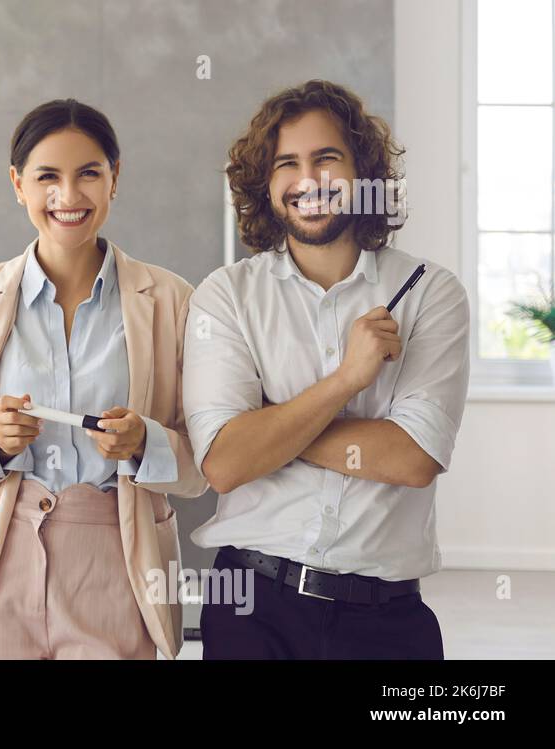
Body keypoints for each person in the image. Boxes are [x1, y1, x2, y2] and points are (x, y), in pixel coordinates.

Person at [184, 80, 470, 659]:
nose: (308, 180)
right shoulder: (227, 296)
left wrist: (269, 427)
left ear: (364, 173)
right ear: (266, 186)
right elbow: (224, 464)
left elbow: (413, 459)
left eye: (326, 159)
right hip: (250, 609)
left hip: (387, 621)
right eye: (287, 163)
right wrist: (348, 380)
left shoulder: (430, 293)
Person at [0, 99, 208, 660]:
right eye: (47, 176)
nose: (69, 197)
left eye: (89, 174)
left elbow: (204, 470)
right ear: (17, 184)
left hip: (118, 572)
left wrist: (148, 443)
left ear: (115, 179)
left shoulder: (173, 301)